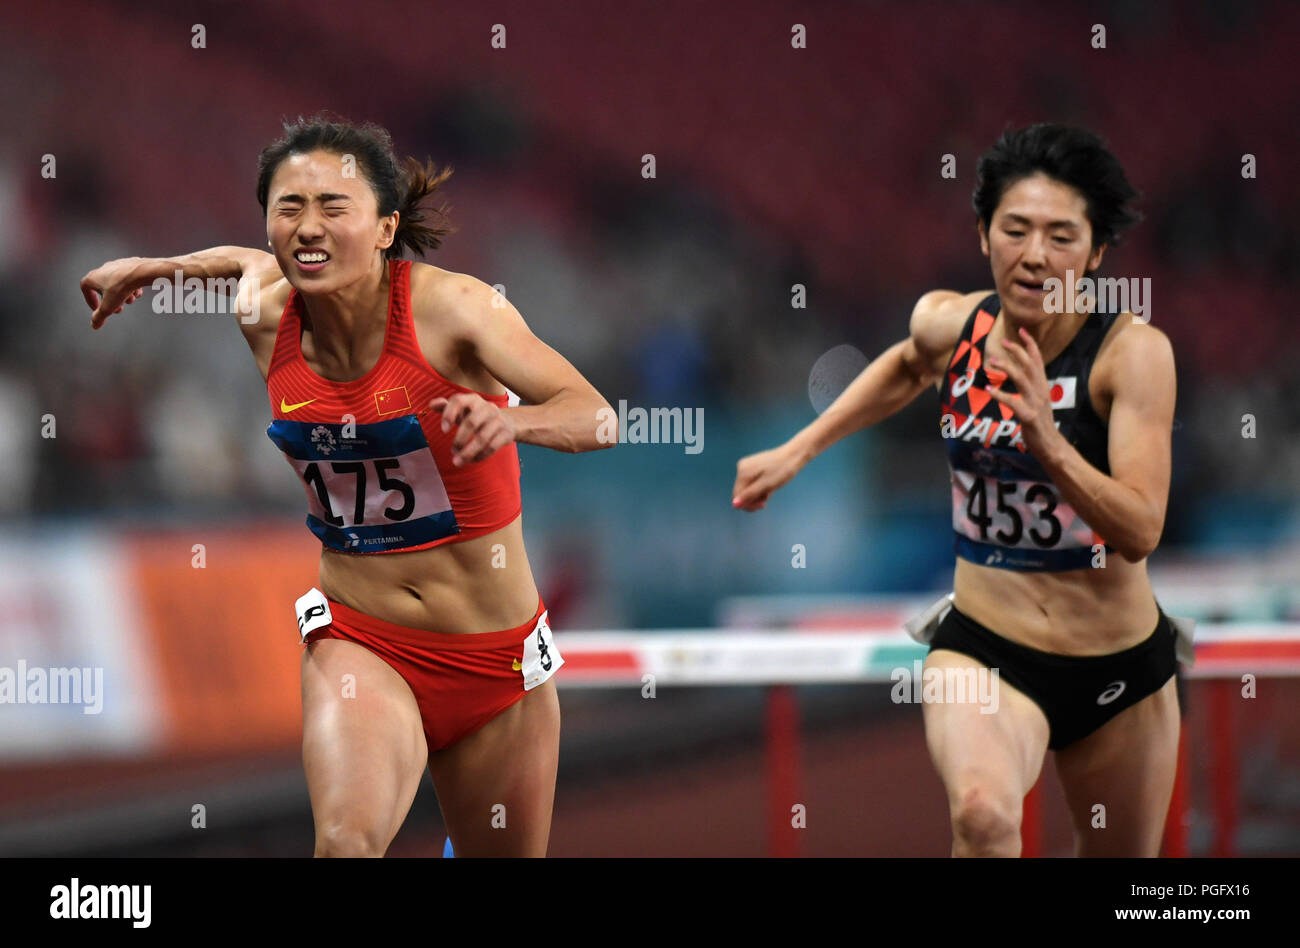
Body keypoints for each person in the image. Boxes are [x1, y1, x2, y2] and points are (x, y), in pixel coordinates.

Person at [81, 115, 616, 857]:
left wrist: (512, 425)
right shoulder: (264, 312)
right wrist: (151, 266)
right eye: (288, 207)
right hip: (364, 643)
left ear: (387, 226)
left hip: (498, 666)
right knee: (345, 845)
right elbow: (241, 263)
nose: (308, 227)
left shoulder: (457, 311)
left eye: (335, 208)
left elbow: (596, 416)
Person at [732, 123, 1185, 857]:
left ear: (1097, 254)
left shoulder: (1130, 358)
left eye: (1062, 237)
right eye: (1016, 229)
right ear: (983, 235)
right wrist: (798, 450)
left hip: (1118, 669)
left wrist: (1049, 443)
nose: (1035, 255)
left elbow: (1140, 528)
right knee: (981, 817)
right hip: (986, 648)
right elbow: (908, 366)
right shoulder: (951, 322)